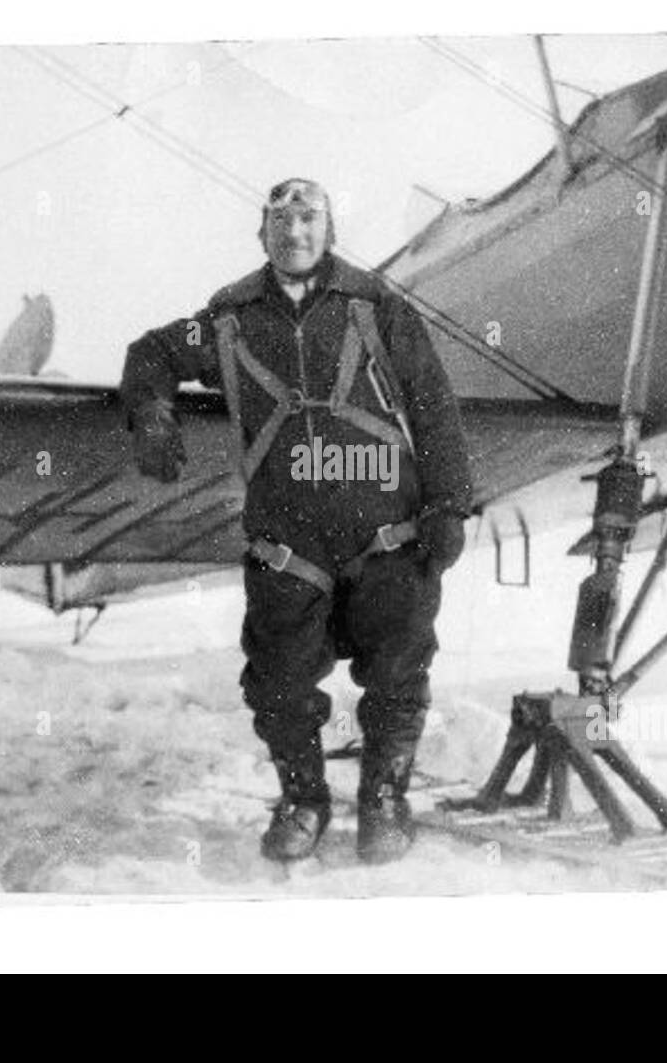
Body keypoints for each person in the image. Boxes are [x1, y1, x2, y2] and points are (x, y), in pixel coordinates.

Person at [120, 178, 473, 864]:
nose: (294, 231)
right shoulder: (228, 318)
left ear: (329, 230)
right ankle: (303, 801)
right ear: (263, 234)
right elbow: (152, 353)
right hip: (289, 543)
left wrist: (448, 505)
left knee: (399, 673)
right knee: (280, 681)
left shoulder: (379, 307)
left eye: (308, 217)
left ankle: (384, 803)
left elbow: (433, 405)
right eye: (279, 219)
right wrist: (152, 412)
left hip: (387, 533)